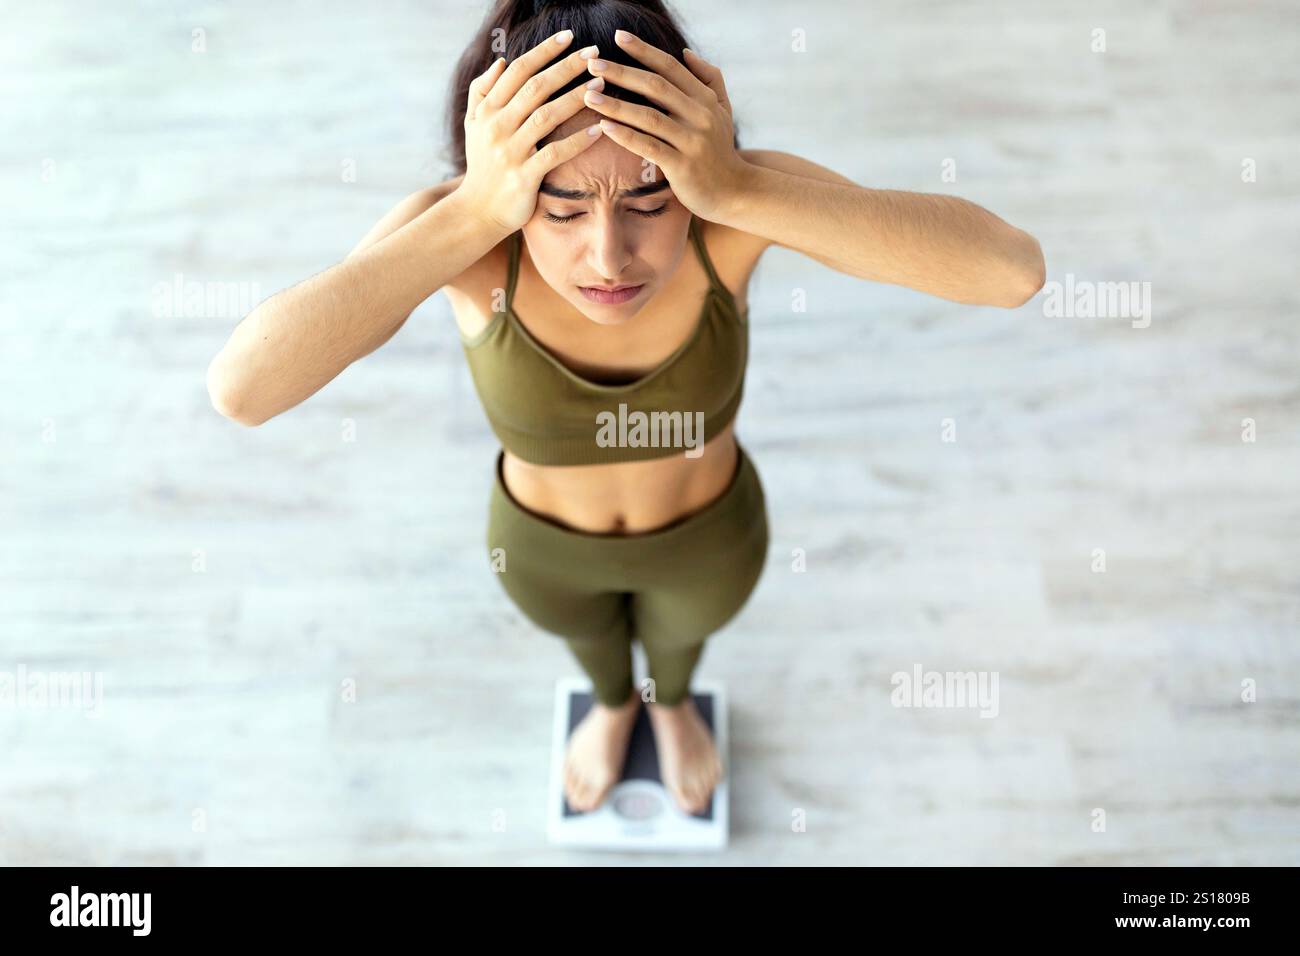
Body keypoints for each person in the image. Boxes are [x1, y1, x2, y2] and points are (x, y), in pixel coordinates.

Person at [206, 0, 1045, 816]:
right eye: (561, 208)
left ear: (692, 173)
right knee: (600, 662)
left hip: (709, 545)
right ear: (509, 188)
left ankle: (670, 704)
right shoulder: (468, 244)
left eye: (648, 204)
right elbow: (243, 390)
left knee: (676, 658)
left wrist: (741, 189)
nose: (608, 256)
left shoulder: (732, 215)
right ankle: (614, 706)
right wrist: (469, 210)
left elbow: (1012, 272)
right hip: (542, 558)